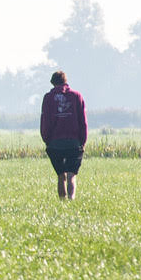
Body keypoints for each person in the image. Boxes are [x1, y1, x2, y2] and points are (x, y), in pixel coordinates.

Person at [40, 70, 87, 199]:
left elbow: (45, 121)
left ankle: (62, 202)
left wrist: (46, 140)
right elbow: (83, 121)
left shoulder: (48, 98)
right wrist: (82, 141)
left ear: (53, 82)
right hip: (74, 142)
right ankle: (71, 200)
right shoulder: (77, 96)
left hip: (55, 144)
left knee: (61, 175)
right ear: (65, 81)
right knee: (72, 175)